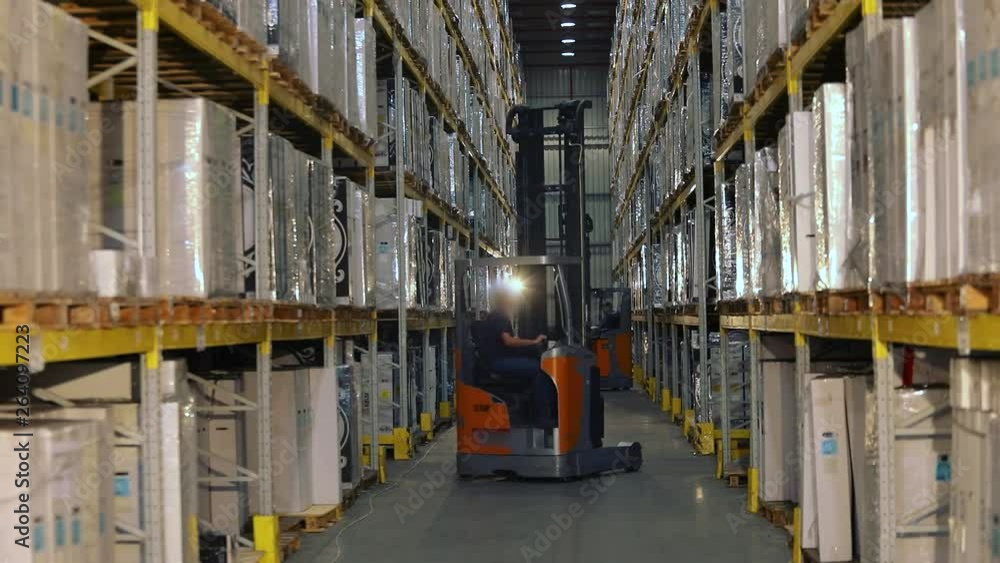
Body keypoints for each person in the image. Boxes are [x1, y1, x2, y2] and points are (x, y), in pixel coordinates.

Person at [477, 285, 557, 427]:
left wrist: (530, 344)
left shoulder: (496, 315)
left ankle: (532, 410)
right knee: (541, 370)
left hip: (497, 359)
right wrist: (534, 342)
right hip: (498, 362)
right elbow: (508, 341)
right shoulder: (500, 316)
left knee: (533, 363)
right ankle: (542, 416)